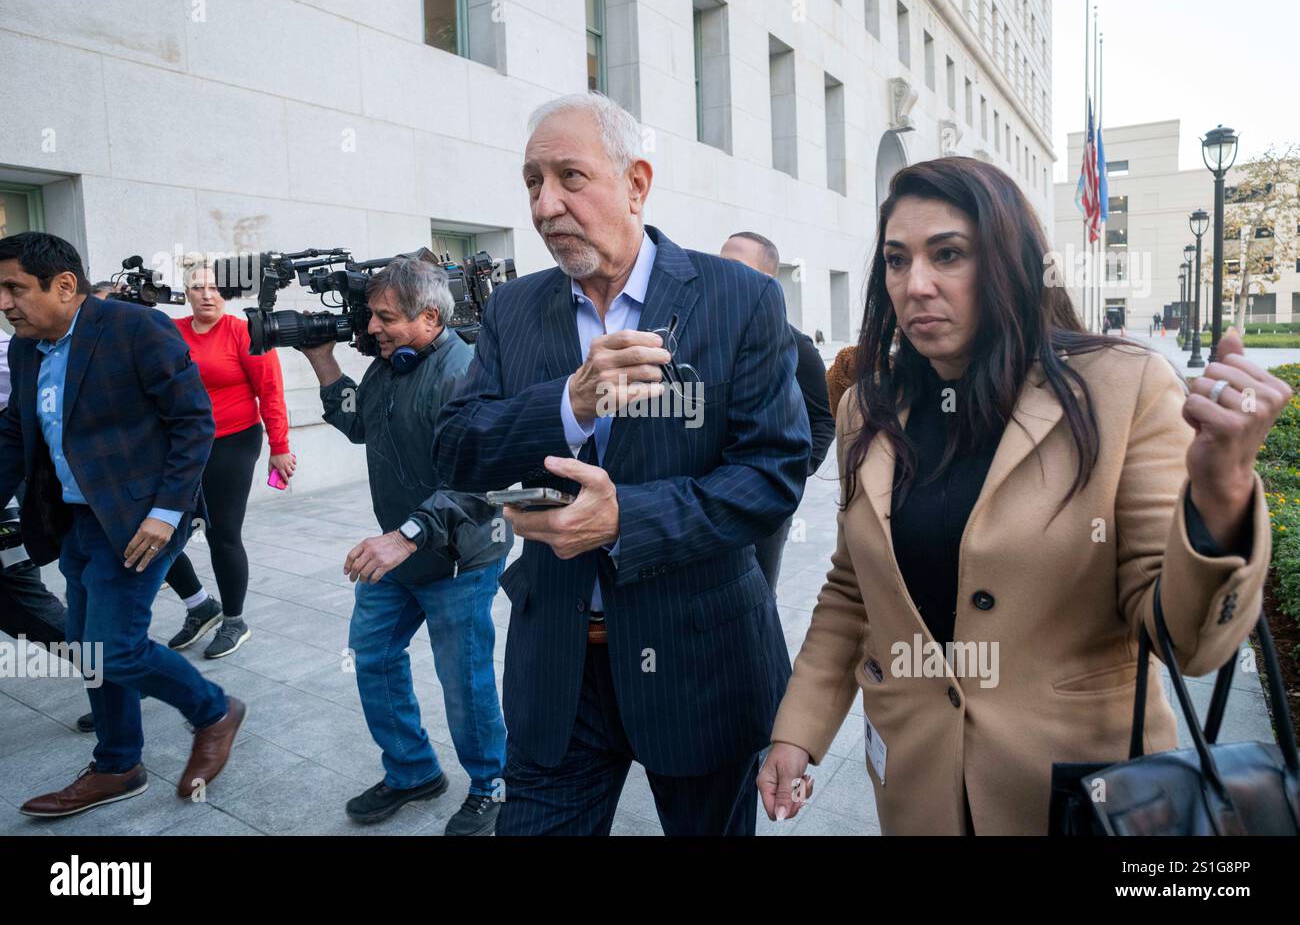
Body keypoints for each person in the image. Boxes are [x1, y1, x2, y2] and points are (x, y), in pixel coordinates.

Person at [758, 157, 1283, 834]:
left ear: (1011, 262)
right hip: (917, 790)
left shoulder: (1124, 388)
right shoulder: (868, 406)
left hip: (1085, 796)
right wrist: (798, 730)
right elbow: (852, 589)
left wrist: (1222, 493)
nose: (915, 284)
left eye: (948, 254)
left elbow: (1186, 641)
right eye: (896, 259)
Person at [434, 92, 810, 836]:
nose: (546, 205)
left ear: (636, 182)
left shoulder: (740, 300)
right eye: (532, 182)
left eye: (570, 177)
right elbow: (457, 448)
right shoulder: (512, 311)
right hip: (559, 671)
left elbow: (773, 473)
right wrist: (570, 404)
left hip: (701, 661)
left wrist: (624, 520)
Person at [0, 232, 244, 818]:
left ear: (63, 285)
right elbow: (14, 433)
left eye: (14, 288)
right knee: (89, 647)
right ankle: (118, 765)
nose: (5, 303)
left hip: (141, 519)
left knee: (113, 648)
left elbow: (193, 423)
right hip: (76, 520)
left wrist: (166, 514)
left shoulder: (135, 329)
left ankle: (213, 710)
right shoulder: (27, 350)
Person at [298, 255, 510, 836]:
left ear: (431, 317)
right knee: (373, 655)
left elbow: (479, 481)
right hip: (398, 552)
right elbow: (358, 424)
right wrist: (323, 363)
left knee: (462, 678)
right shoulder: (390, 365)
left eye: (385, 317)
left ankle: (492, 782)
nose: (371, 329)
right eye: (370, 316)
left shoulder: (467, 373)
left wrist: (407, 535)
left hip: (459, 556)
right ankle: (413, 770)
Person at [163, 254, 295, 659]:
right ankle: (199, 606)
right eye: (198, 287)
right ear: (185, 294)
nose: (207, 295)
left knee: (222, 532)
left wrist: (280, 447)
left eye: (215, 288)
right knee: (160, 530)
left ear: (227, 293)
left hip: (233, 440)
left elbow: (270, 392)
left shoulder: (244, 332)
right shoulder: (169, 332)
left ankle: (235, 621)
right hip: (181, 443)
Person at [720, 231, 834, 592]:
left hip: (765, 508)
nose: (721, 276)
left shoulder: (798, 348)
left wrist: (791, 473)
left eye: (733, 267)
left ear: (766, 282)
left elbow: (822, 422)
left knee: (757, 596)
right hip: (704, 503)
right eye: (718, 265)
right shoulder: (704, 341)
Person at [0, 327, 95, 733]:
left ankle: (123, 672)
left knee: (26, 607)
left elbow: (18, 431)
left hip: (4, 500)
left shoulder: (13, 348)